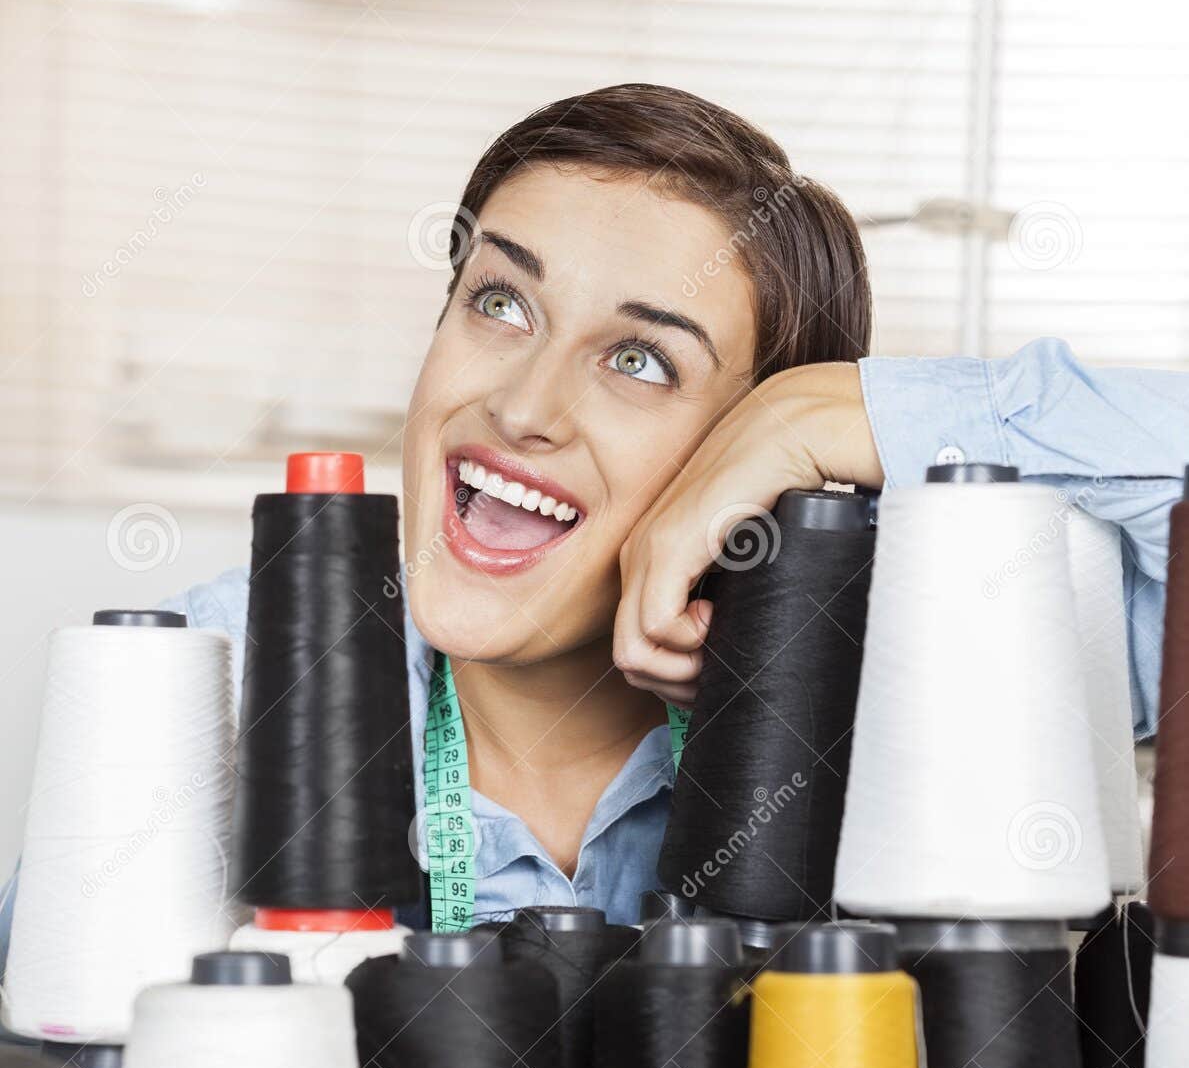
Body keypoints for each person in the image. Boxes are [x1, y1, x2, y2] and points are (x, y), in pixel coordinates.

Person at [4, 84, 1187, 949]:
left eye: (637, 358)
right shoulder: (209, 681)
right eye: (500, 303)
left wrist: (842, 413)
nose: (521, 405)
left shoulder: (926, 681)